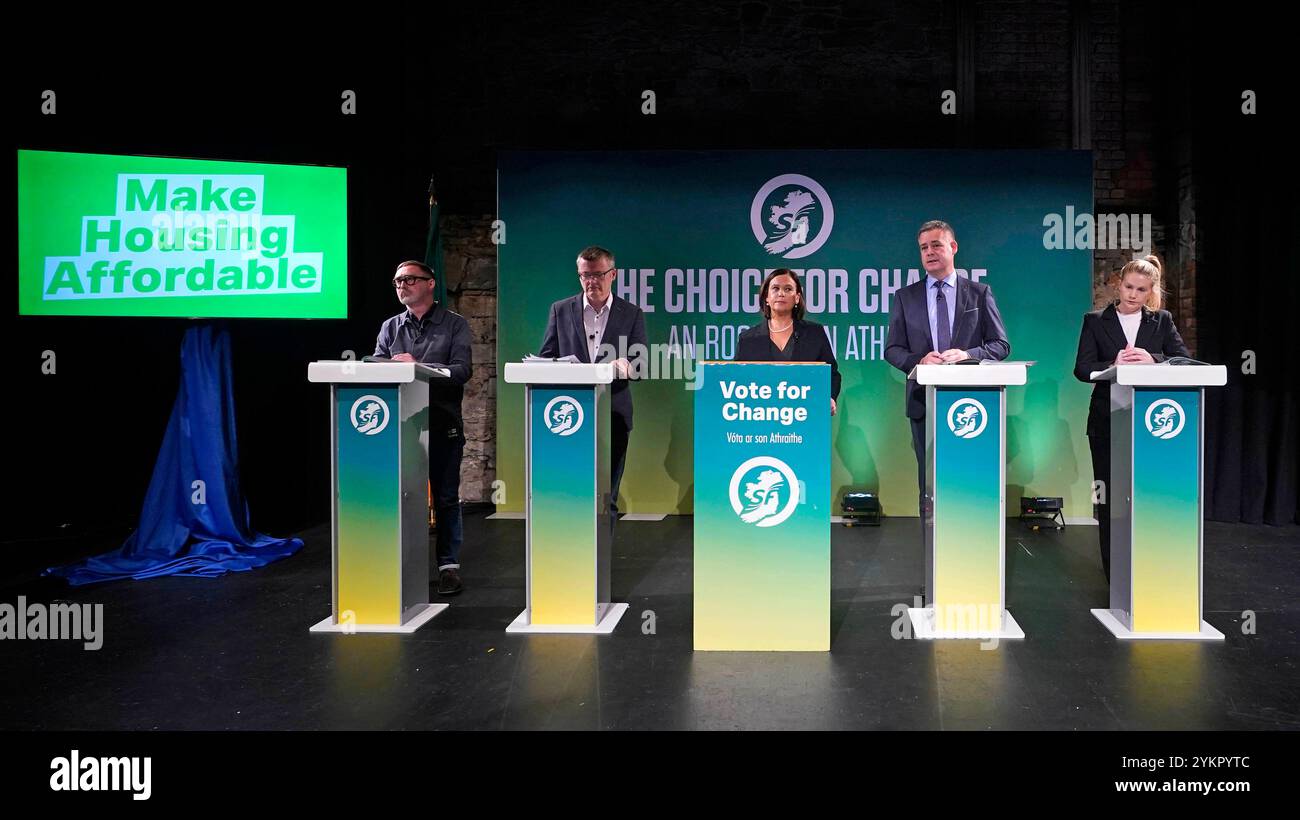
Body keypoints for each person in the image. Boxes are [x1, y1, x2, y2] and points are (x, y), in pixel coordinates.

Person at [1073, 254, 1188, 582]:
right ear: (1118, 284)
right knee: (1110, 501)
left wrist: (1153, 359)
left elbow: (1184, 361)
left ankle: (1151, 571)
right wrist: (1114, 363)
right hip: (1107, 421)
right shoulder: (1095, 320)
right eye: (1128, 287)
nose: (1133, 294)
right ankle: (1116, 577)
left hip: (1151, 423)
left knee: (1148, 496)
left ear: (1150, 291)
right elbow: (1082, 368)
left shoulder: (1161, 321)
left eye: (1141, 289)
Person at [885, 220, 1011, 497]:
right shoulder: (905, 297)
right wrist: (920, 361)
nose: (929, 252)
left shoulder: (979, 293)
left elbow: (1001, 345)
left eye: (936, 245)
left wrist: (967, 354)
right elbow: (892, 349)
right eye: (923, 248)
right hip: (923, 401)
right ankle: (928, 539)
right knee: (930, 483)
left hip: (972, 402)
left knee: (967, 479)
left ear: (953, 247)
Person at [375, 260, 473, 595]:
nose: (402, 285)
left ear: (430, 284)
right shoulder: (391, 328)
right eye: (397, 280)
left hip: (442, 422)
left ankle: (448, 567)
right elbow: (378, 369)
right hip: (402, 426)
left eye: (409, 279)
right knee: (404, 497)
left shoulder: (454, 325)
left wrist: (419, 367)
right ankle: (404, 565)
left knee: (445, 498)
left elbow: (462, 371)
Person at [539, 245, 648, 517]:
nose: (591, 281)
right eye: (585, 275)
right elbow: (546, 359)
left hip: (613, 415)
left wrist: (626, 365)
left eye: (598, 274)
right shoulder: (560, 310)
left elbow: (642, 365)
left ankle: (602, 560)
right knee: (572, 496)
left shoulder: (631, 313)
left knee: (606, 498)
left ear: (613, 274)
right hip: (568, 416)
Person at [735, 268, 841, 411]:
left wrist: (830, 397)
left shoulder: (814, 334)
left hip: (805, 414)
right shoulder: (747, 340)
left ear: (797, 298)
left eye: (788, 289)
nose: (781, 293)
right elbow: (736, 381)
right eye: (775, 288)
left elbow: (832, 374)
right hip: (760, 419)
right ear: (766, 297)